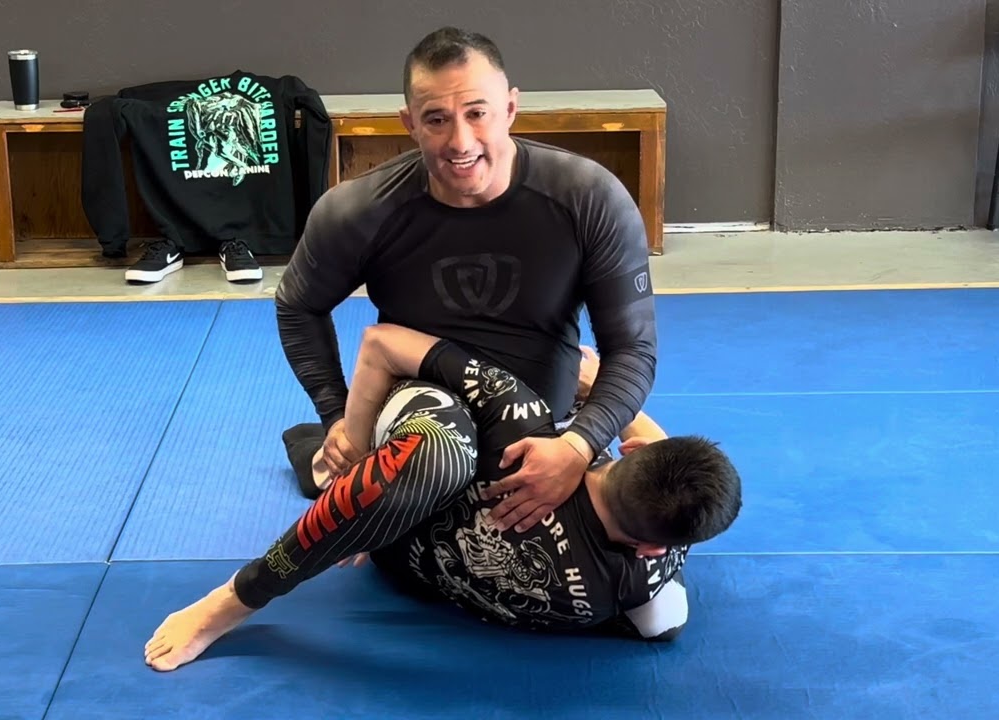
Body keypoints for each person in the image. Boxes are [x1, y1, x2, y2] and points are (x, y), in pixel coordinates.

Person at [143, 324, 742, 672]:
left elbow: (380, 343)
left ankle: (235, 597)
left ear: (627, 452)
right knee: (664, 621)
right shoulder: (648, 574)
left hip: (385, 516)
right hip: (413, 564)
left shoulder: (520, 423)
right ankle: (337, 471)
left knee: (438, 446)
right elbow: (661, 600)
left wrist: (601, 391)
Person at [274, 26, 658, 535]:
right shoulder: (359, 212)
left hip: (543, 427)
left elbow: (633, 348)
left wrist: (578, 446)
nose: (460, 141)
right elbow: (298, 305)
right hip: (424, 430)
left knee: (655, 528)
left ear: (510, 108)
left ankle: (321, 459)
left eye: (477, 113)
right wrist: (337, 417)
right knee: (425, 491)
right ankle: (323, 457)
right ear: (410, 123)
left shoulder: (589, 198)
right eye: (437, 119)